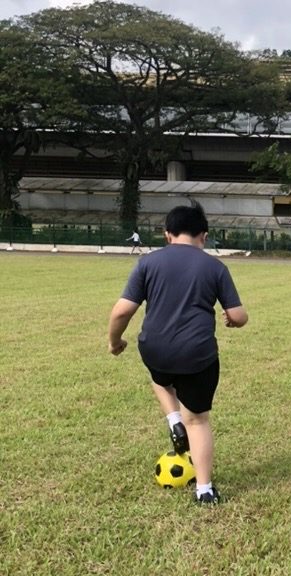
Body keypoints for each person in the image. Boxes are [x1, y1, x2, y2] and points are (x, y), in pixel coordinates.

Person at [108, 202, 248, 505]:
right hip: (197, 354)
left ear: (167, 234)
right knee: (197, 420)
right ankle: (204, 490)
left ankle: (173, 418)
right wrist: (231, 320)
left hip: (155, 349)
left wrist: (114, 341)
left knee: (161, 377)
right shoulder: (215, 267)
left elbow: (122, 311)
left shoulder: (148, 263)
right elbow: (239, 315)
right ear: (204, 236)